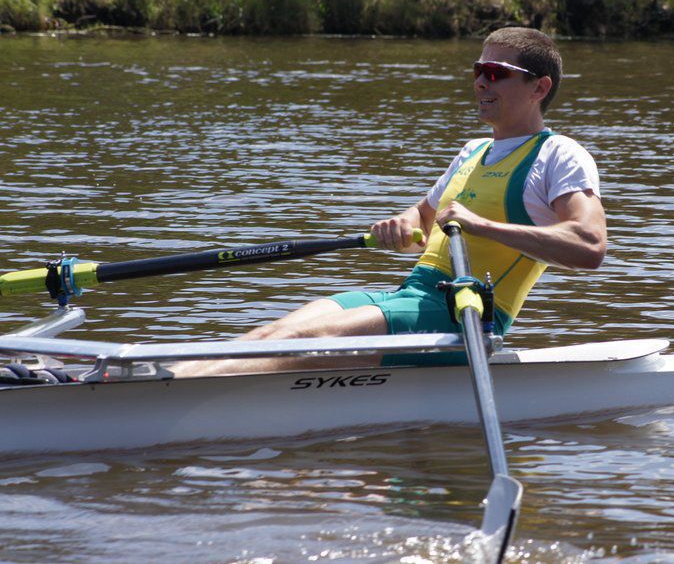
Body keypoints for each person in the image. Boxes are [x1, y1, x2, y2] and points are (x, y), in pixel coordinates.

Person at [177, 27, 606, 376]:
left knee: (305, 343)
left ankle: (172, 400)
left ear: (539, 87)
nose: (479, 82)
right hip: (409, 295)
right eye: (478, 69)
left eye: (495, 72)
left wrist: (483, 226)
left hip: (462, 317)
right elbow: (421, 222)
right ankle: (168, 378)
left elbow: (589, 246)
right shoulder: (472, 151)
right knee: (273, 332)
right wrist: (400, 225)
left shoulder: (558, 155)